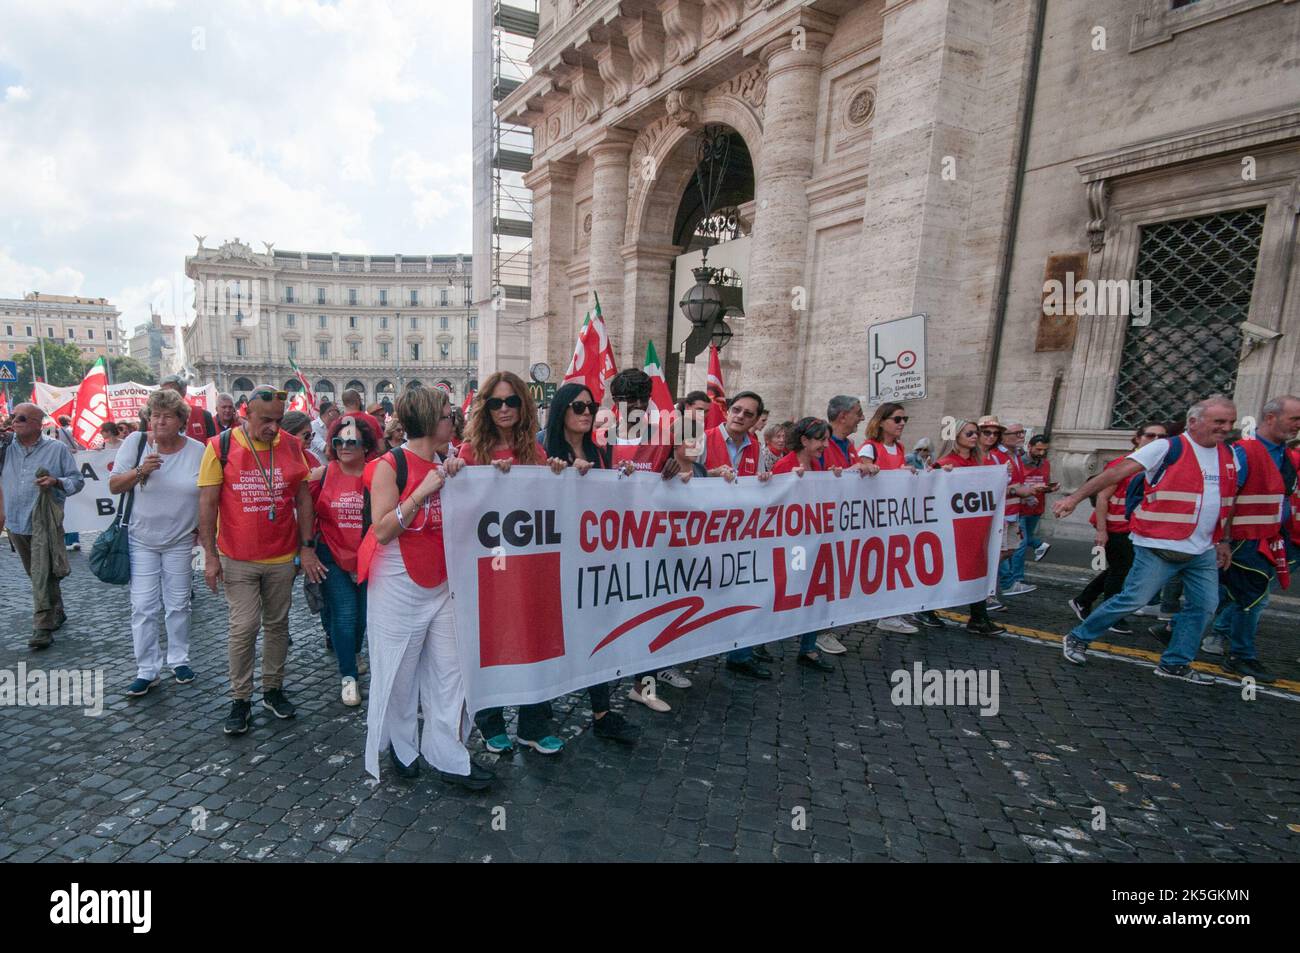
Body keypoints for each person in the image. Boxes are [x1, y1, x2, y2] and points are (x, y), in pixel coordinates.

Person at [359, 386, 494, 790]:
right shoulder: (389, 465)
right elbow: (382, 530)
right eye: (448, 415)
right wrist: (420, 493)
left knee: (453, 672)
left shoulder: (449, 460)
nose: (454, 421)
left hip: (444, 582)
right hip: (397, 583)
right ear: (431, 421)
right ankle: (403, 748)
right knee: (399, 671)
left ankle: (449, 755)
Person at [1053, 396, 1241, 683]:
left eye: (1230, 422)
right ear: (1193, 422)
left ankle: (1175, 663)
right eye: (1219, 421)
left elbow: (1225, 502)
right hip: (1158, 545)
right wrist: (1074, 498)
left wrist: (1224, 541)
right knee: (1132, 600)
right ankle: (1079, 637)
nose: (1226, 428)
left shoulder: (1228, 454)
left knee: (1203, 607)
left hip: (1202, 548)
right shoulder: (1167, 447)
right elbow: (1114, 473)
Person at [197, 384, 326, 734]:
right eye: (265, 421)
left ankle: (272, 689)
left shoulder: (292, 445)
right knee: (244, 627)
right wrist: (209, 555)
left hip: (282, 556)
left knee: (277, 626)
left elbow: (303, 499)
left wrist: (307, 545)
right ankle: (240, 698)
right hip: (237, 556)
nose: (273, 428)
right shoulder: (220, 447)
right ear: (245, 414)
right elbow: (207, 505)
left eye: (278, 421)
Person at [461, 371, 569, 754]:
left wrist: (558, 475)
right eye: (495, 402)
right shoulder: (470, 451)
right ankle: (490, 721)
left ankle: (534, 724)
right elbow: (465, 508)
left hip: (530, 564)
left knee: (535, 638)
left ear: (523, 405)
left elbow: (546, 504)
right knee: (493, 640)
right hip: (490, 565)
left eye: (511, 401)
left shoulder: (535, 451)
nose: (504, 409)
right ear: (485, 408)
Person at [541, 382, 642, 744]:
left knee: (597, 632)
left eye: (591, 407)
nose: (586, 413)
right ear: (562, 410)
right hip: (554, 560)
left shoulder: (602, 452)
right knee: (554, 633)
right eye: (578, 407)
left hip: (593, 559)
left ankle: (602, 711)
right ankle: (539, 708)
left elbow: (609, 501)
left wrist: (625, 480)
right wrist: (558, 473)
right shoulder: (542, 448)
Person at [109, 388, 205, 696]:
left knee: (179, 604)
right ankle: (147, 669)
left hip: (180, 539)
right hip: (140, 540)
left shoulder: (197, 451)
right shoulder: (135, 444)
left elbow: (207, 495)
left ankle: (179, 659)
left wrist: (205, 533)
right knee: (143, 606)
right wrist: (140, 471)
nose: (159, 421)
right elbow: (114, 485)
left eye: (167, 416)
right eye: (155, 416)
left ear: (181, 421)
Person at [1202, 395, 1300, 681]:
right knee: (1252, 598)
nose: (1298, 426)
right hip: (1244, 539)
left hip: (1268, 537)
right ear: (1271, 418)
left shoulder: (1284, 454)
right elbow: (1228, 495)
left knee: (1241, 596)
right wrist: (1225, 540)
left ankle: (1182, 631)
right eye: (1294, 419)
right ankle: (1240, 655)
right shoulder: (1245, 451)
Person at [1069, 421, 1169, 629]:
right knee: (1121, 571)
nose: (1156, 441)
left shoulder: (1159, 466)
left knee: (1120, 569)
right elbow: (1102, 497)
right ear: (1137, 439)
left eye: (1162, 437)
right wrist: (1102, 531)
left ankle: (1083, 600)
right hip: (1115, 527)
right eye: (1150, 436)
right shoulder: (1123, 464)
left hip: (1136, 528)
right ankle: (1109, 614)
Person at [0, 403, 84, 648]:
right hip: (16, 522)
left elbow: (77, 482)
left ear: (38, 423)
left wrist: (56, 481)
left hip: (45, 523)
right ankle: (56, 609)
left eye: (23, 418)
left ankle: (42, 627)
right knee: (37, 573)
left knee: (41, 572)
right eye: (14, 417)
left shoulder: (56, 449)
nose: (16, 421)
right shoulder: (6, 447)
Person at [309, 414, 379, 706]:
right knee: (346, 614)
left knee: (363, 616)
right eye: (339, 441)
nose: (345, 446)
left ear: (365, 446)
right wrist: (306, 550)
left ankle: (354, 652)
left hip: (369, 556)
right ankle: (348, 676)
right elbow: (304, 512)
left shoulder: (379, 473)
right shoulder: (320, 475)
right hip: (332, 555)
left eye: (352, 441)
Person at [770, 416, 841, 672]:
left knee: (814, 593)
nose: (825, 445)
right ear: (804, 440)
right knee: (775, 593)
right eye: (821, 439)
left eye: (827, 440)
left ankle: (808, 648)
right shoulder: (783, 465)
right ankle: (750, 648)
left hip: (811, 544)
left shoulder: (818, 466)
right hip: (788, 545)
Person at [936, 420, 1007, 637]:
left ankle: (978, 617)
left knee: (976, 569)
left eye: (976, 433)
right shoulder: (946, 462)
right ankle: (927, 609)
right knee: (946, 568)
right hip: (952, 528)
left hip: (975, 528)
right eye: (969, 433)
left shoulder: (981, 463)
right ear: (955, 436)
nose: (975, 436)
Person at [857, 402, 922, 636]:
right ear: (882, 421)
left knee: (895, 562)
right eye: (897, 419)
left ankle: (890, 612)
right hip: (876, 516)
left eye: (905, 419)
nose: (902, 423)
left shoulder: (901, 447)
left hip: (895, 515)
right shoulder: (869, 447)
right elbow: (864, 475)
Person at [1001, 434, 1059, 592]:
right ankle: (1016, 579)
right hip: (1019, 508)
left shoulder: (1045, 464)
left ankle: (1038, 547)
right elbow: (1015, 484)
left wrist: (1049, 488)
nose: (1041, 453)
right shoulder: (1018, 462)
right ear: (1030, 447)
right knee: (1020, 543)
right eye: (1038, 449)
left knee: (1022, 541)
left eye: (1044, 450)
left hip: (1036, 508)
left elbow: (1043, 482)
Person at [985, 418, 1036, 597]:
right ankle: (985, 592)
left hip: (1013, 512)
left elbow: (1016, 482)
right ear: (1004, 437)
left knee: (1010, 550)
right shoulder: (995, 456)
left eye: (1022, 432)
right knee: (996, 554)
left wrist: (1027, 496)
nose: (1021, 436)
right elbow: (990, 487)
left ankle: (991, 588)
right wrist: (1018, 491)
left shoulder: (1016, 455)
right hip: (1001, 513)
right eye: (1017, 433)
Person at [704, 391, 763, 479]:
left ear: (756, 420)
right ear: (728, 411)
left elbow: (759, 485)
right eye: (736, 410)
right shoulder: (702, 438)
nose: (740, 416)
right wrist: (710, 474)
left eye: (748, 414)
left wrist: (765, 479)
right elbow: (685, 477)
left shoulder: (757, 448)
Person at [161, 374, 217, 444]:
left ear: (183, 391)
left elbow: (213, 447)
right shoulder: (151, 418)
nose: (167, 396)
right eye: (163, 392)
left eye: (172, 392)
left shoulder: (204, 416)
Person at [822, 395, 865, 471]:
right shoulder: (820, 445)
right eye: (859, 413)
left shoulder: (849, 444)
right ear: (843, 417)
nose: (863, 418)